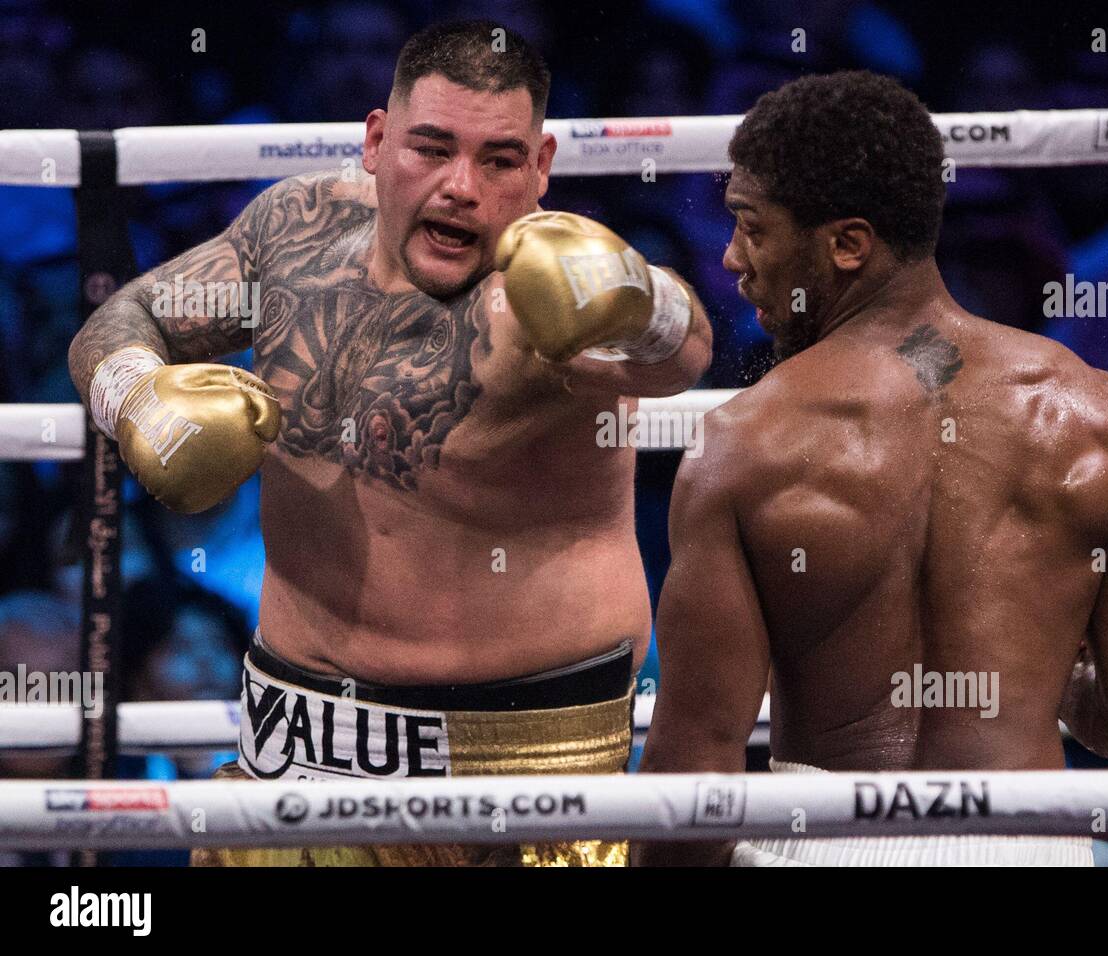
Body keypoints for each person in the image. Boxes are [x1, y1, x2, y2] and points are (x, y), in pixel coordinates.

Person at [67, 19, 711, 867]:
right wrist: (142, 403)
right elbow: (123, 320)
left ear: (542, 166)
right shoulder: (294, 232)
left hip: (521, 784)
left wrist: (638, 292)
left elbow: (680, 353)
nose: (461, 187)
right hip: (291, 753)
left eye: (500, 160)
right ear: (376, 142)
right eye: (431, 148)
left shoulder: (541, 302)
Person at [634, 71, 1108, 866]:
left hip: (823, 843)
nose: (731, 260)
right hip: (1032, 847)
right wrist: (1038, 666)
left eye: (752, 228)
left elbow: (697, 763)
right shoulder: (1092, 415)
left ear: (849, 244)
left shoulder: (744, 444)